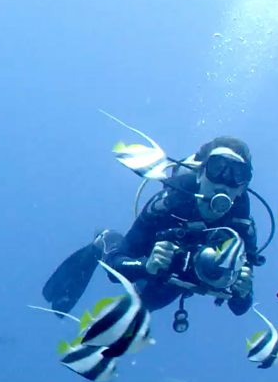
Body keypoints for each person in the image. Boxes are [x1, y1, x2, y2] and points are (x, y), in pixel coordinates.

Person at [42, 137, 263, 330]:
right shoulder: (168, 205)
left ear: (242, 188)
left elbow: (240, 307)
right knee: (129, 303)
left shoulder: (242, 227)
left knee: (139, 312)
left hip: (177, 283)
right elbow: (115, 269)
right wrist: (145, 265)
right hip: (150, 263)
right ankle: (104, 239)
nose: (224, 182)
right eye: (217, 168)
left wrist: (243, 290)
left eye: (237, 175)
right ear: (199, 173)